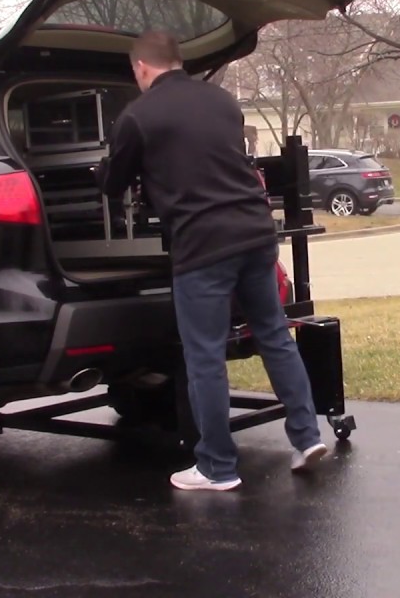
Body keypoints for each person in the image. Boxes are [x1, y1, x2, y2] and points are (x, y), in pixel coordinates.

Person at [97, 30, 328, 492]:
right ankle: (306, 439)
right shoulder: (222, 101)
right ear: (177, 60)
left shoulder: (137, 116)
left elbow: (112, 183)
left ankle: (218, 468)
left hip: (203, 247)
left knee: (205, 356)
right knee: (275, 338)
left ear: (140, 68)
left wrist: (118, 173)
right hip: (255, 235)